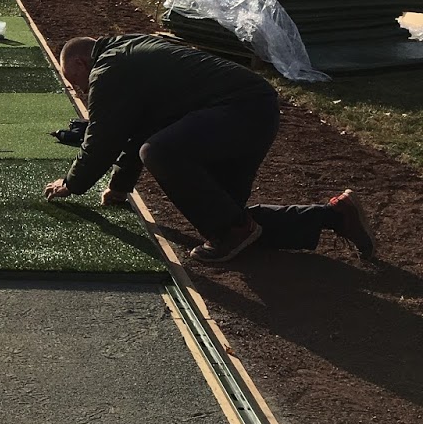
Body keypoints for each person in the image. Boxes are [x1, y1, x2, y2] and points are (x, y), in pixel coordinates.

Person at [42, 34, 375, 267]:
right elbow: (134, 126)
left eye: (75, 81)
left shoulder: (108, 71)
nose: (79, 90)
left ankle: (233, 231)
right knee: (227, 216)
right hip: (250, 111)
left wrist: (72, 184)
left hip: (238, 111)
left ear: (84, 62)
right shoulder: (126, 52)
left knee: (158, 152)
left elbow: (104, 135)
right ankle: (335, 215)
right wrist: (120, 186)